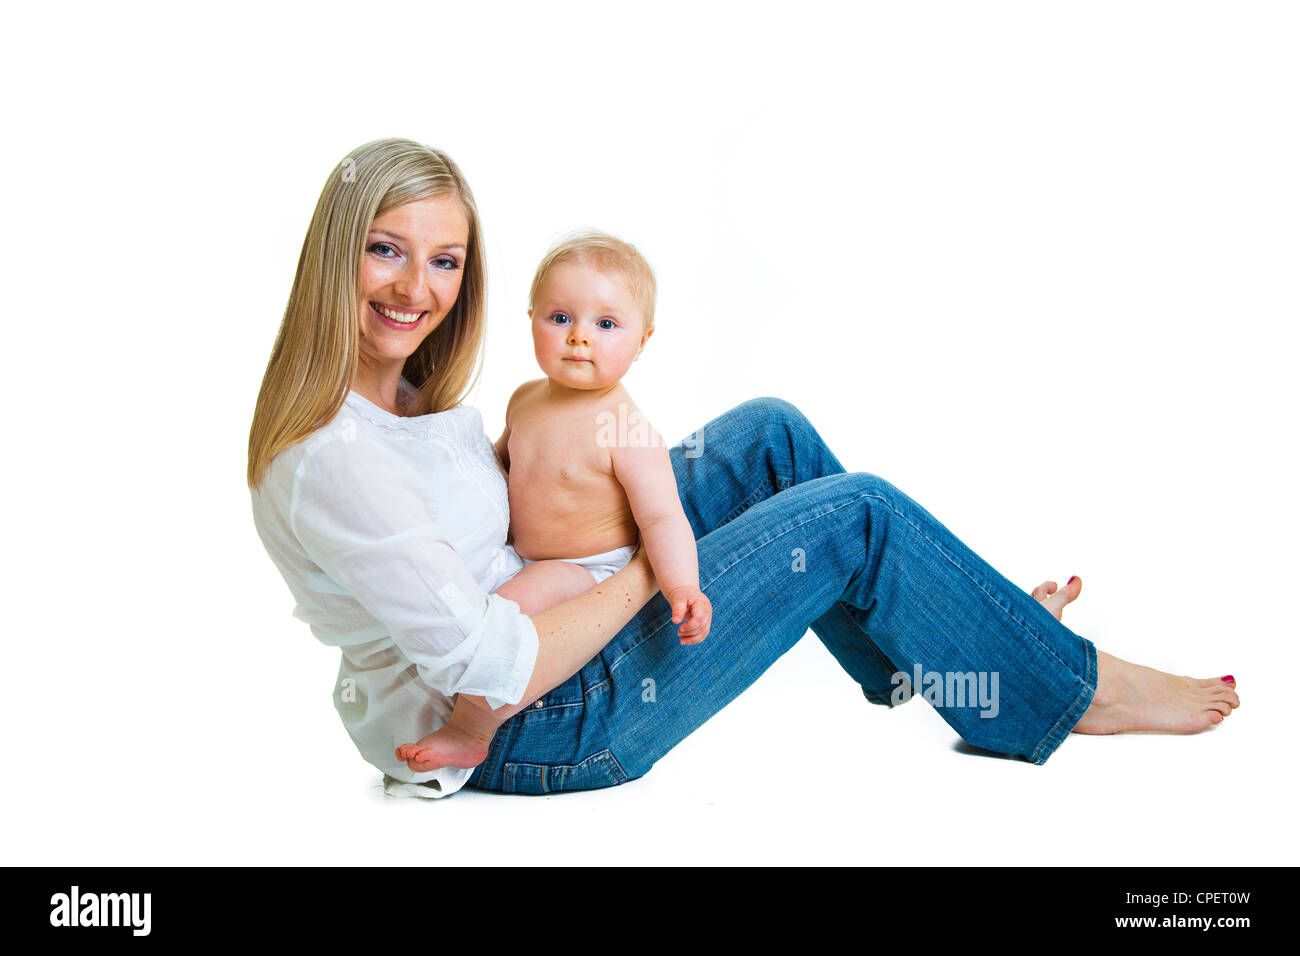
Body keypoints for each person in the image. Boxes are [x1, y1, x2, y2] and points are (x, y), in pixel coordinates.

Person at [248, 137, 1239, 798]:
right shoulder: (331, 458)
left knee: (769, 434)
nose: (415, 287)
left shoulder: (411, 397)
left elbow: (509, 503)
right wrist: (646, 562)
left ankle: (965, 658)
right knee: (857, 514)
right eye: (385, 250)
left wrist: (613, 490)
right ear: (337, 251)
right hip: (531, 723)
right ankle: (1063, 683)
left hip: (552, 622)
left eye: (445, 260)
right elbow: (487, 662)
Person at [398, 229, 711, 770]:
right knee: (450, 602)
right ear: (531, 320)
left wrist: (683, 585)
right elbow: (496, 467)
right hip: (521, 553)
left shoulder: (627, 429)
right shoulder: (525, 399)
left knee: (506, 616)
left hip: (587, 569)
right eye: (560, 318)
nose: (578, 338)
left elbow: (663, 518)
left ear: (643, 341)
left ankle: (471, 727)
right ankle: (434, 691)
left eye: (606, 324)